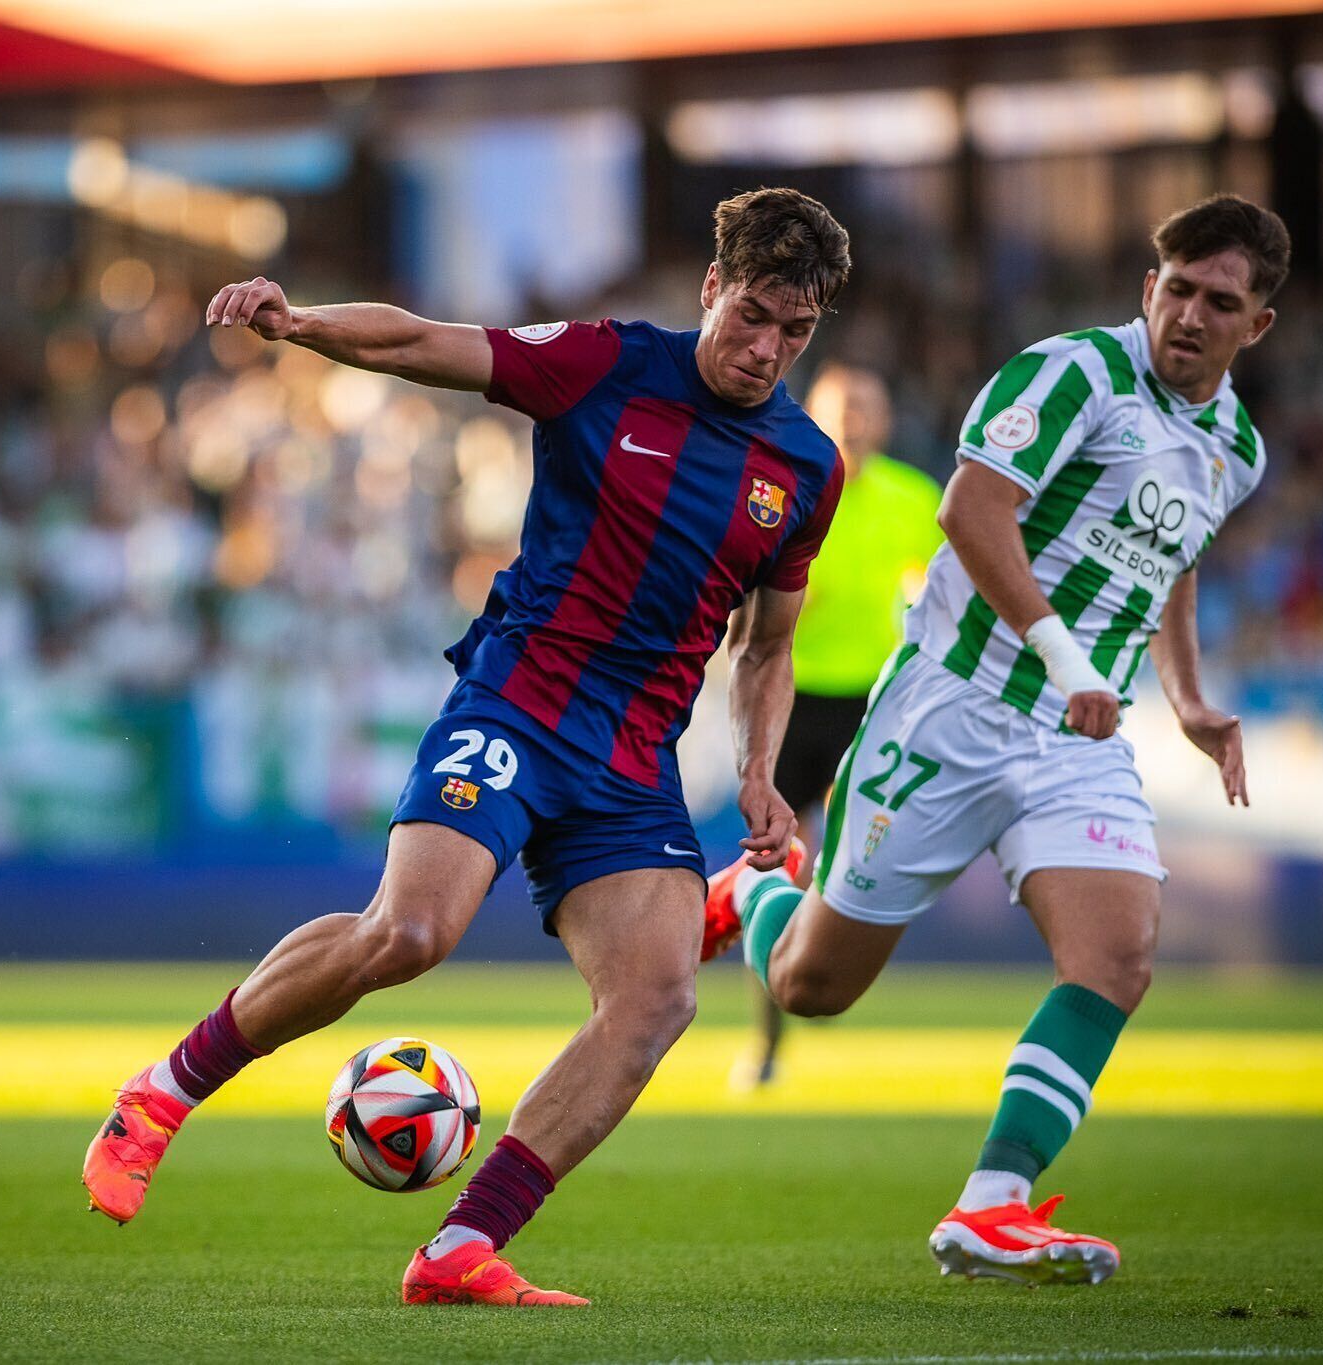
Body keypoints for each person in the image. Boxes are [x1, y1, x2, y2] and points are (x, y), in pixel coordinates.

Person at [82, 187, 852, 1307]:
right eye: (752, 316)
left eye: (795, 330)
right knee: (409, 932)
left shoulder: (806, 467)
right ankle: (160, 1094)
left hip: (631, 755)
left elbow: (767, 645)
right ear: (710, 288)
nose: (767, 349)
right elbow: (421, 342)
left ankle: (460, 1248)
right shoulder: (604, 363)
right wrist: (300, 325)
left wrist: (758, 772)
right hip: (517, 705)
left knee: (656, 1001)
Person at [702, 193, 1285, 1285]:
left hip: (1074, 739)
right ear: (1147, 288)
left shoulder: (1236, 448)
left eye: (1219, 302)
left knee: (1118, 957)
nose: (1189, 316)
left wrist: (1187, 696)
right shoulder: (1072, 375)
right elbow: (969, 511)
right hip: (951, 707)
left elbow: (1174, 560)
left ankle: (991, 1204)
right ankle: (761, 893)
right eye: (1175, 290)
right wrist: (1067, 661)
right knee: (811, 988)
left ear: (1255, 325)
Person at [727, 365, 943, 1089]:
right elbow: (736, 597)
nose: (852, 422)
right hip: (787, 696)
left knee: (856, 859)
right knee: (773, 862)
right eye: (840, 409)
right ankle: (766, 1040)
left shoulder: (916, 499)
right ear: (815, 418)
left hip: (871, 704)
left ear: (884, 421)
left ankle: (823, 975)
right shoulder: (783, 491)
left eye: (865, 409)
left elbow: (941, 592)